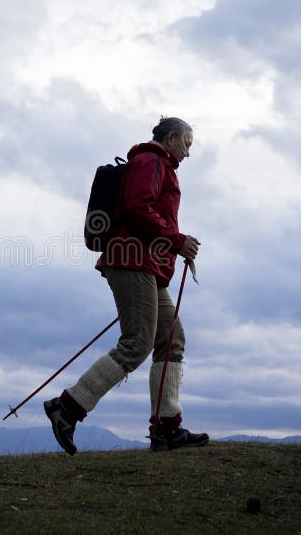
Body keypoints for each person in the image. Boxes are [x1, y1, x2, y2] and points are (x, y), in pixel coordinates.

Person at [45, 116, 208, 455]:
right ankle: (67, 408)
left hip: (144, 263)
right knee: (136, 343)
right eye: (187, 144)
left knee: (171, 337)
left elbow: (146, 212)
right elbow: (137, 207)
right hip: (132, 261)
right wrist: (177, 240)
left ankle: (167, 428)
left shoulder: (157, 164)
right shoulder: (151, 160)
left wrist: (173, 244)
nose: (188, 153)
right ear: (172, 137)